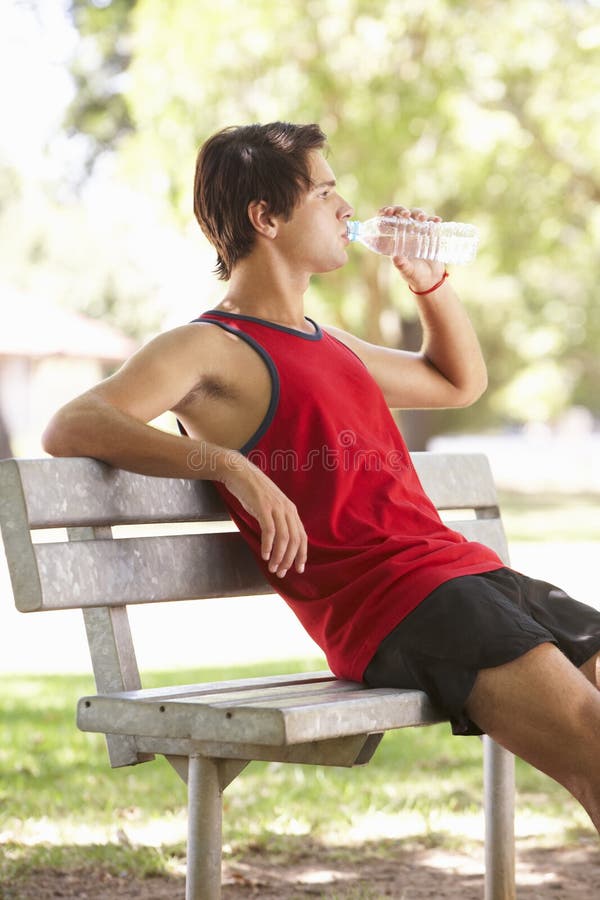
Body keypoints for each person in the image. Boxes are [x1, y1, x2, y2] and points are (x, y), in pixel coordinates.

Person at [43, 121, 600, 832]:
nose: (346, 208)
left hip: (464, 576)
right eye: (326, 192)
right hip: (398, 606)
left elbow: (455, 381)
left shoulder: (325, 339)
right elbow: (73, 423)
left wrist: (426, 282)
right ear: (266, 217)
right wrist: (226, 463)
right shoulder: (208, 346)